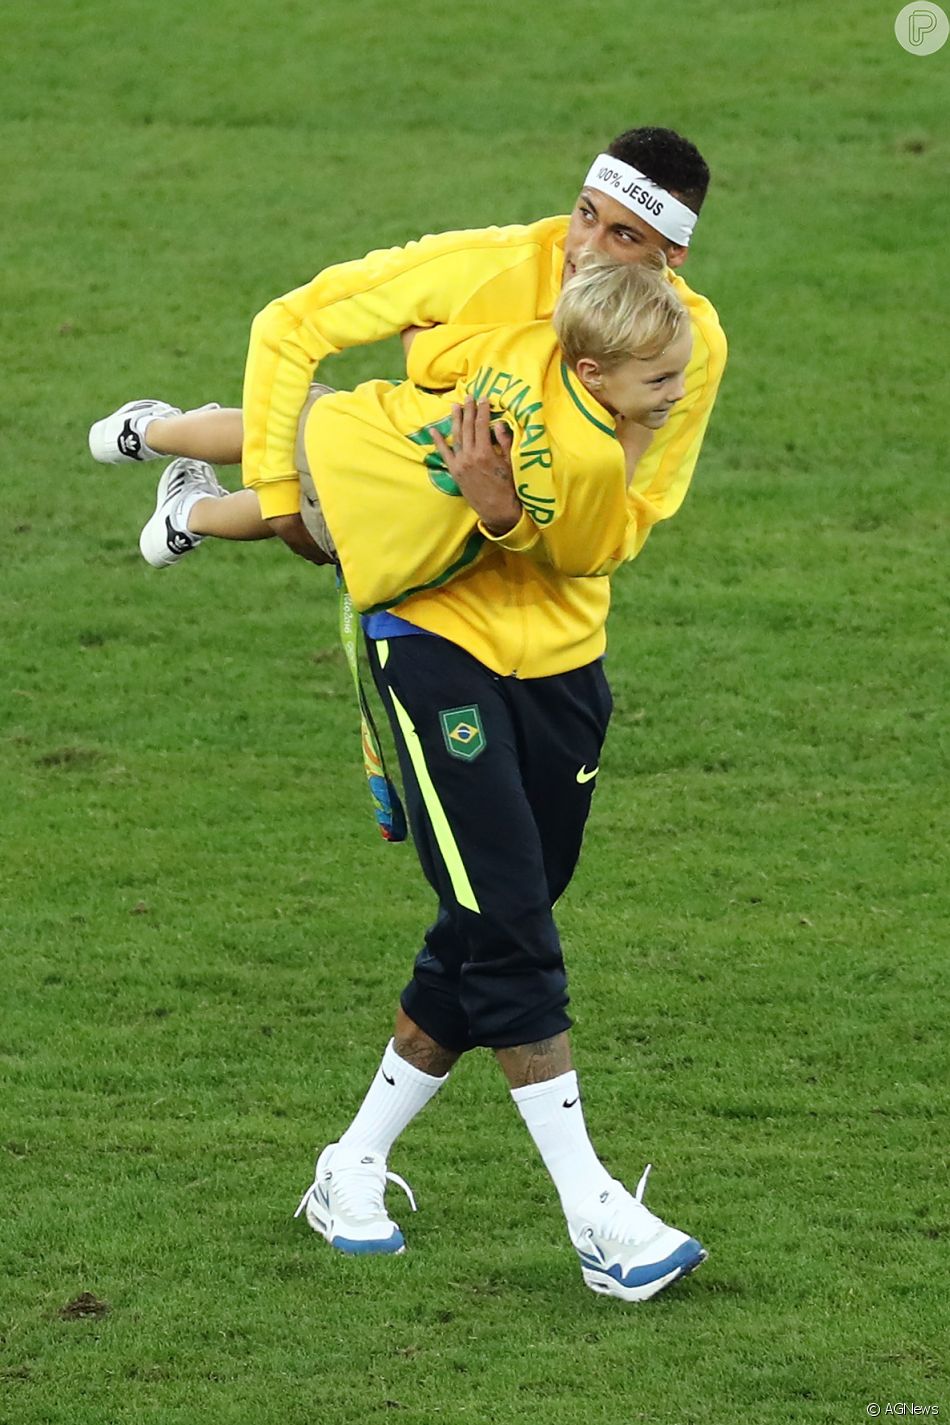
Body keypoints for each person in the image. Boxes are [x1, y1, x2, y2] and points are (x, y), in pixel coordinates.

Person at [101, 127, 728, 1302]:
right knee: (509, 920)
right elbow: (292, 327)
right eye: (584, 215)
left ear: (670, 260)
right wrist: (295, 512)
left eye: (623, 236)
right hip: (430, 644)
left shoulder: (674, 353)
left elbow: (620, 535)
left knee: (500, 908)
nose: (584, 248)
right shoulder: (486, 268)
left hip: (559, 660)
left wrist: (500, 515)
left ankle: (351, 1164)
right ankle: (597, 1215)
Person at [89, 253, 692, 618]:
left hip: (361, 437)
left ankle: (151, 429)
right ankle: (190, 515)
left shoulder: (526, 344)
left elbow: (426, 350)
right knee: (299, 510)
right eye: (662, 377)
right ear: (593, 372)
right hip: (385, 531)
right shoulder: (594, 460)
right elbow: (585, 557)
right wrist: (508, 514)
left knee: (273, 424)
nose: (680, 392)